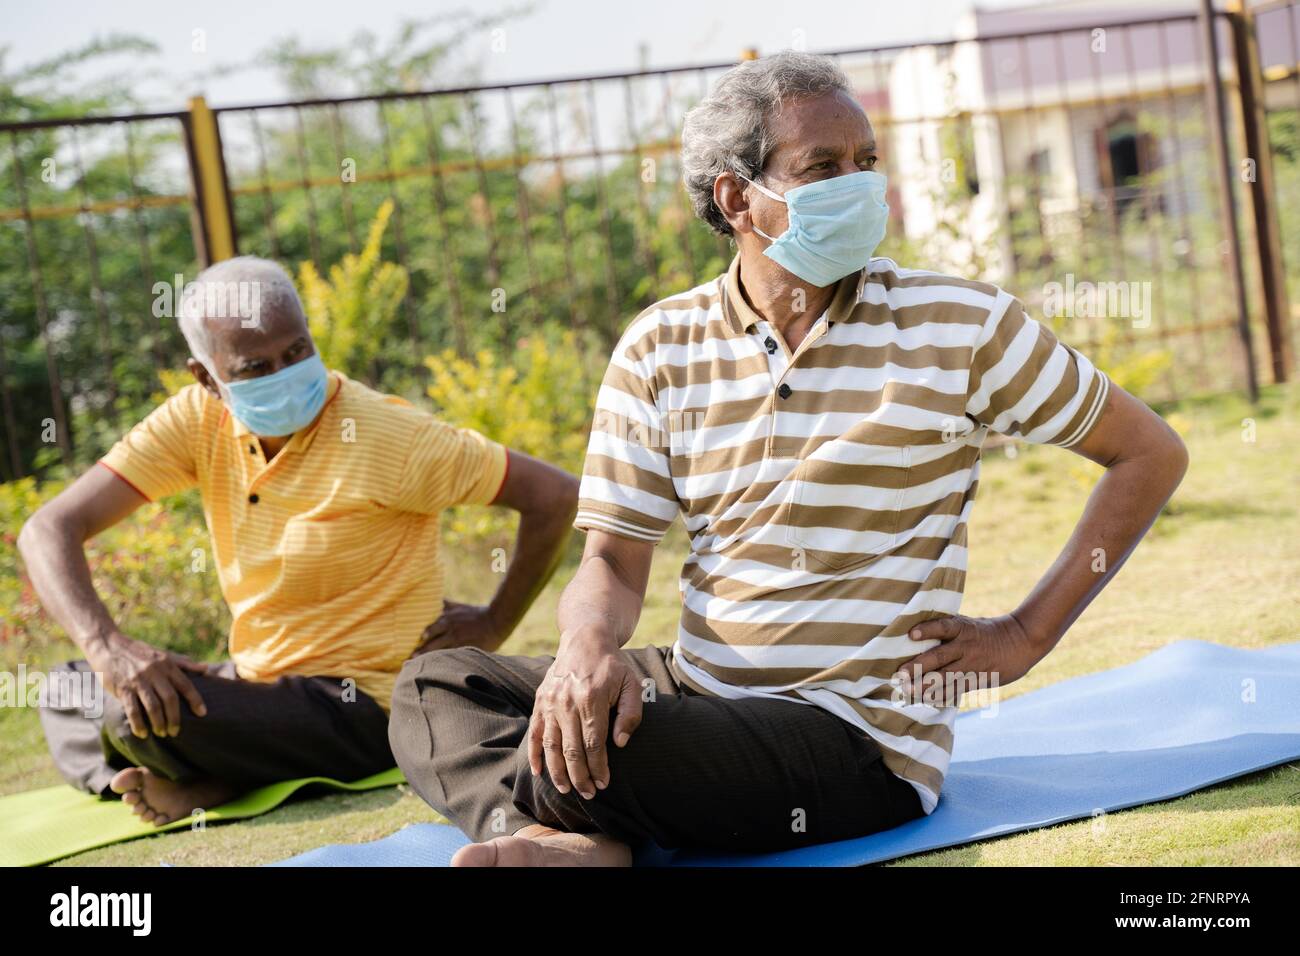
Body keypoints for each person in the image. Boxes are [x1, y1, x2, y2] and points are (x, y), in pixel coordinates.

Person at [387, 51, 1188, 866]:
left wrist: (1025, 634)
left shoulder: (960, 325)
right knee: (437, 689)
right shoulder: (660, 346)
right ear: (738, 198)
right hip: (697, 687)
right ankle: (554, 841)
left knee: (605, 744)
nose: (861, 184)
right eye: (824, 167)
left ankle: (575, 827)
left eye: (866, 162)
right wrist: (585, 649)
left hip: (853, 735)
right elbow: (615, 564)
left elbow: (1148, 453)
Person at [21, 255, 577, 827]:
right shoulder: (196, 420)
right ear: (207, 379)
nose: (283, 374)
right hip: (257, 685)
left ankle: (205, 774)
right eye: (255, 366)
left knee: (128, 716)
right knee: (71, 686)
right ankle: (198, 772)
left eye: (296, 352)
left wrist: (493, 621)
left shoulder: (390, 436)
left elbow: (555, 496)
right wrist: (107, 646)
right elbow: (48, 528)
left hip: (364, 703)